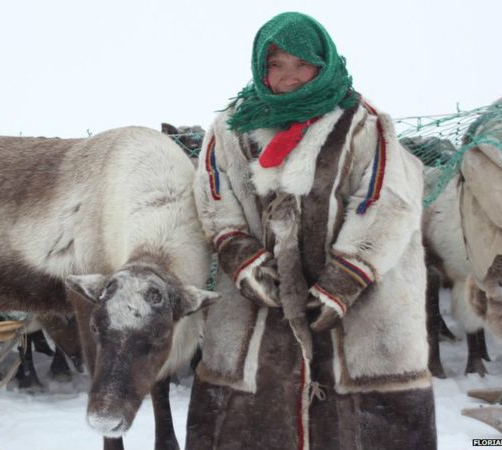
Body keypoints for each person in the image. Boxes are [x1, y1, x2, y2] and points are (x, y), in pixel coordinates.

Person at [187, 12, 436, 450]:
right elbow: (214, 194)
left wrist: (346, 277)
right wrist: (240, 257)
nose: (289, 77)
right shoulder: (230, 127)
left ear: (323, 65)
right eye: (276, 65)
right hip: (257, 301)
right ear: (260, 67)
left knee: (359, 419)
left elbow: (389, 202)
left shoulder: (363, 124)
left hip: (360, 306)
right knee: (254, 407)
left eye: (302, 65)